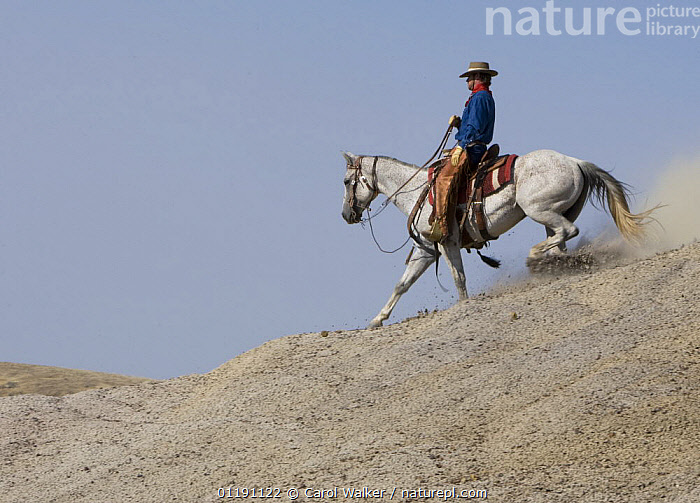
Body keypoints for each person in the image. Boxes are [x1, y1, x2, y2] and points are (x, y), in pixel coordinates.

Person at [449, 61, 497, 171]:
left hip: (473, 149)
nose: (467, 80)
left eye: (469, 77)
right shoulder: (481, 96)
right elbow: (475, 125)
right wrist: (459, 125)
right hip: (473, 146)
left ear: (478, 76)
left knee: (444, 178)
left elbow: (475, 127)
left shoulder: (480, 97)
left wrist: (461, 146)